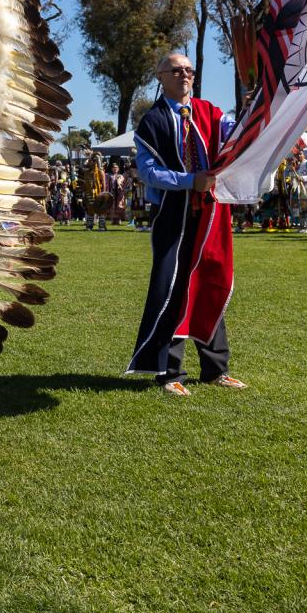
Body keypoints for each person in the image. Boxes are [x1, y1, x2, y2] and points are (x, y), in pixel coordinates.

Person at [129, 52, 245, 395]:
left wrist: (253, 110)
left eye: (188, 70)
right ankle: (169, 372)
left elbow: (235, 134)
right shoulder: (152, 122)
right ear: (160, 76)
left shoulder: (210, 113)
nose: (184, 74)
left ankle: (215, 369)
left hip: (211, 217)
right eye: (176, 70)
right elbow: (148, 172)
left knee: (211, 282)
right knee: (174, 290)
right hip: (174, 219)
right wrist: (188, 181)